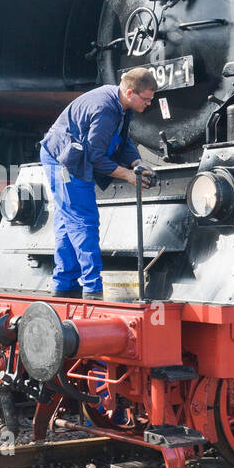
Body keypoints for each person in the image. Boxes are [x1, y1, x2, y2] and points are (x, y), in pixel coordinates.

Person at [38, 67, 157, 298]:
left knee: (66, 220)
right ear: (131, 92)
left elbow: (122, 139)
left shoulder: (122, 104)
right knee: (83, 220)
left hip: (73, 154)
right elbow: (94, 157)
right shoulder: (105, 109)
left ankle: (63, 284)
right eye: (147, 99)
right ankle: (92, 287)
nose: (149, 104)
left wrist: (136, 163)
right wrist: (128, 175)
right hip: (63, 160)